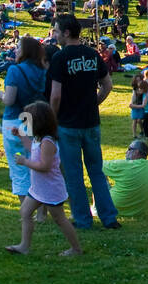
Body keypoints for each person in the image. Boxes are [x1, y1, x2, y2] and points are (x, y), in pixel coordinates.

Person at [47, 14, 119, 231]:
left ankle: (83, 219)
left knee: (74, 174)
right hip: (91, 122)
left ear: (67, 33)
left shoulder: (60, 58)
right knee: (96, 171)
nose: (55, 35)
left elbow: (56, 95)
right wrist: (94, 103)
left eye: (57, 31)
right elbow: (108, 85)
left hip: (68, 124)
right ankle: (109, 217)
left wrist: (52, 118)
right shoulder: (92, 54)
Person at [6, 100, 83, 256]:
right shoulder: (38, 139)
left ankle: (76, 249)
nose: (26, 125)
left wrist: (25, 161)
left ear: (39, 123)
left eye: (28, 122)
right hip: (38, 189)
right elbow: (31, 148)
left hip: (51, 189)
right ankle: (24, 246)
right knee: (25, 212)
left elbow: (44, 166)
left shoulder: (47, 142)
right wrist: (21, 136)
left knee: (59, 219)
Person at [1, 36, 50, 202]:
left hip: (15, 118)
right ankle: (42, 211)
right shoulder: (43, 70)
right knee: (35, 160)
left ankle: (26, 209)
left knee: (18, 167)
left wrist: (0, 95)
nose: (16, 50)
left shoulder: (14, 70)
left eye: (19, 48)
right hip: (35, 119)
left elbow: (10, 99)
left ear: (25, 51)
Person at [103, 139, 148, 220]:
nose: (126, 152)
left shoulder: (122, 165)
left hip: (111, 209)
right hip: (137, 212)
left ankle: (96, 209)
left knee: (99, 176)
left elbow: (98, 164)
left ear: (137, 152)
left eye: (129, 149)